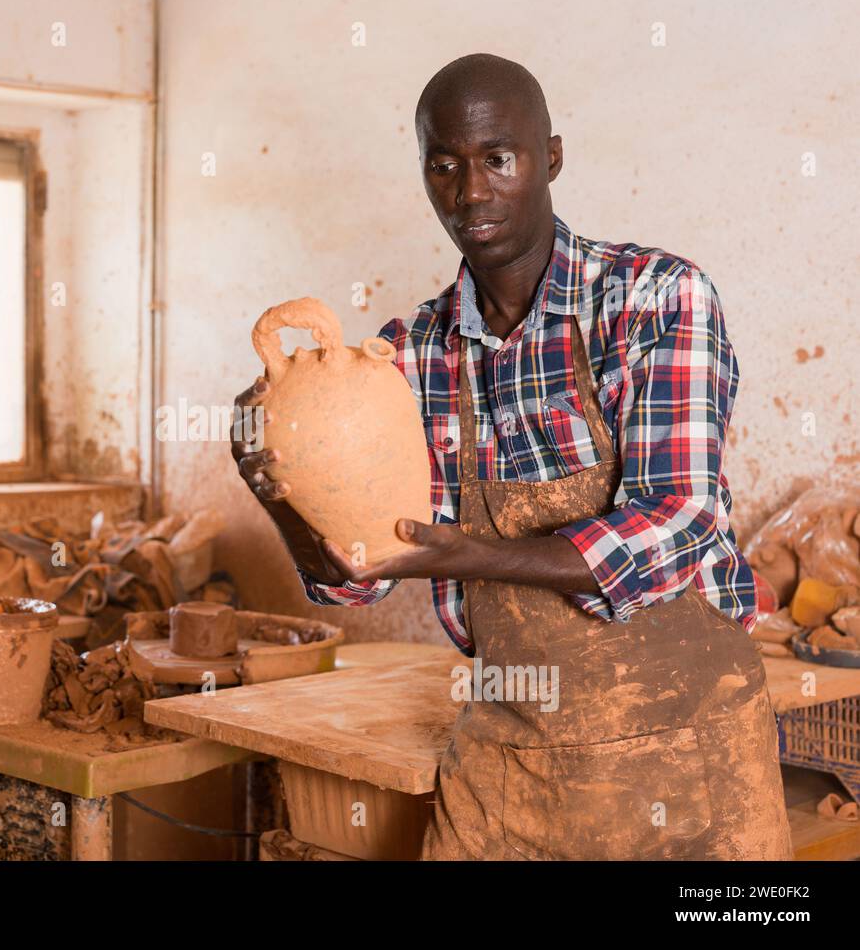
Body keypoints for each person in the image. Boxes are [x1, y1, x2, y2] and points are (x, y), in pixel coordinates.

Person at [230, 53, 793, 860]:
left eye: (497, 159)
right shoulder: (407, 357)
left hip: (689, 757)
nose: (470, 193)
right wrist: (281, 497)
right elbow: (360, 576)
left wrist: (478, 556)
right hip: (509, 765)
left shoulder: (653, 297)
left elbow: (680, 518)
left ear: (550, 158)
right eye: (444, 164)